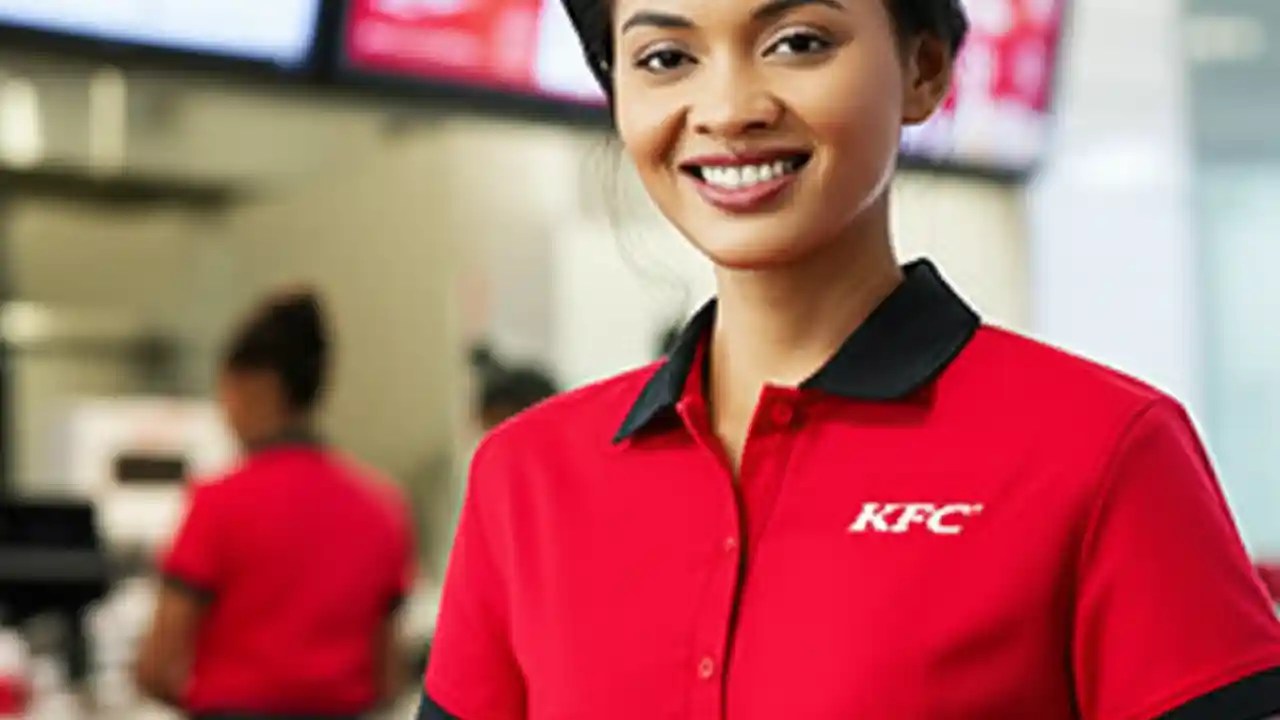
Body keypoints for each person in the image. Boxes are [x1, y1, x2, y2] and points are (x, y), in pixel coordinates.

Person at [419, 0, 1280, 716]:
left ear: (925, 70)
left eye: (798, 42)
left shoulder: (1105, 450)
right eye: (666, 57)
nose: (728, 108)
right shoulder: (523, 479)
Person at [136, 289, 415, 719]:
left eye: (224, 392)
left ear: (255, 386)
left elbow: (156, 667)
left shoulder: (219, 504)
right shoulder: (382, 507)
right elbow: (390, 676)